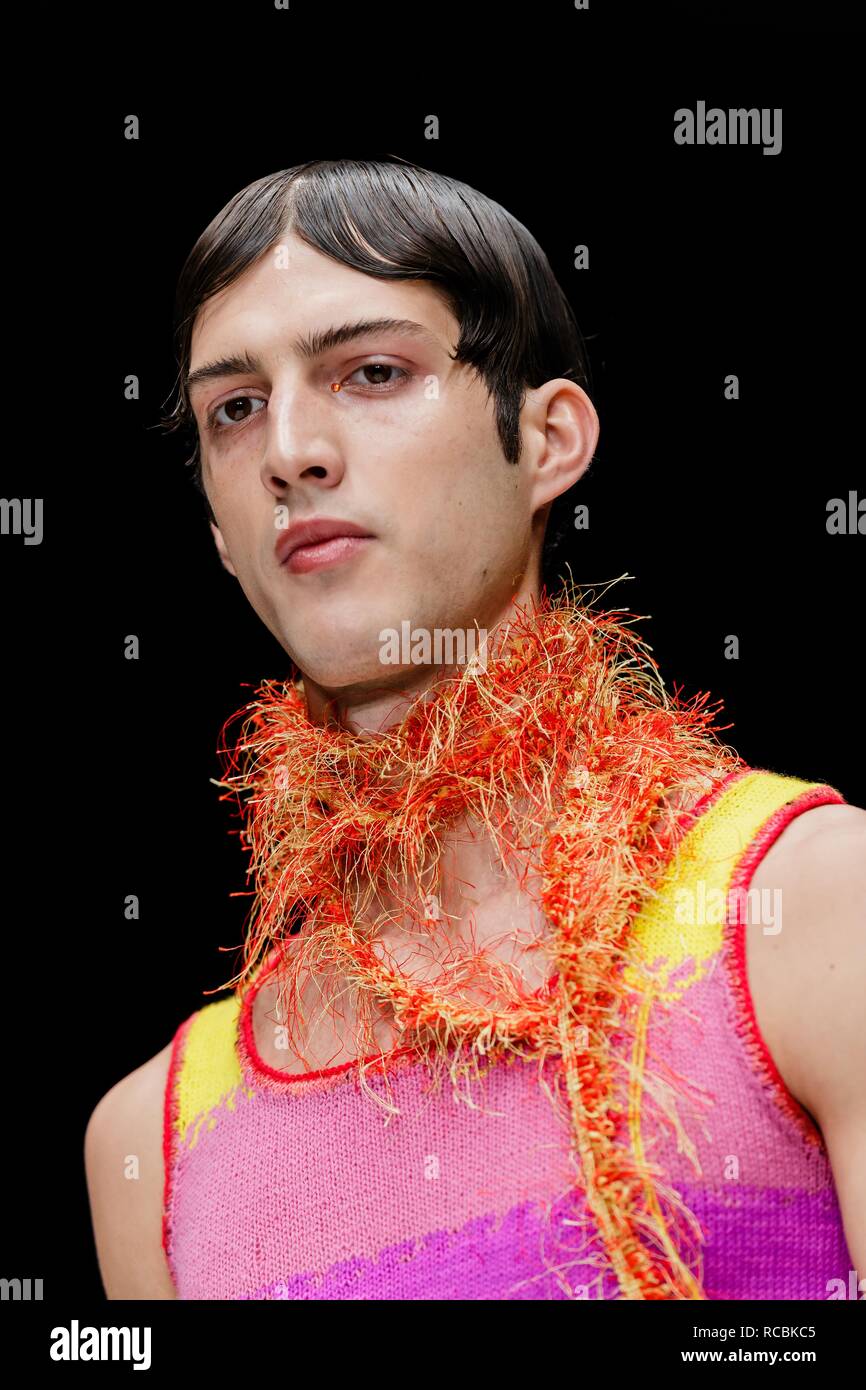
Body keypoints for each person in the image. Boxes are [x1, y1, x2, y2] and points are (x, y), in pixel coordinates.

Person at [84, 158, 865, 1301]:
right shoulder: (149, 1141)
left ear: (546, 441)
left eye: (373, 370)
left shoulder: (807, 913)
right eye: (234, 408)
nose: (291, 452)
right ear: (217, 529)